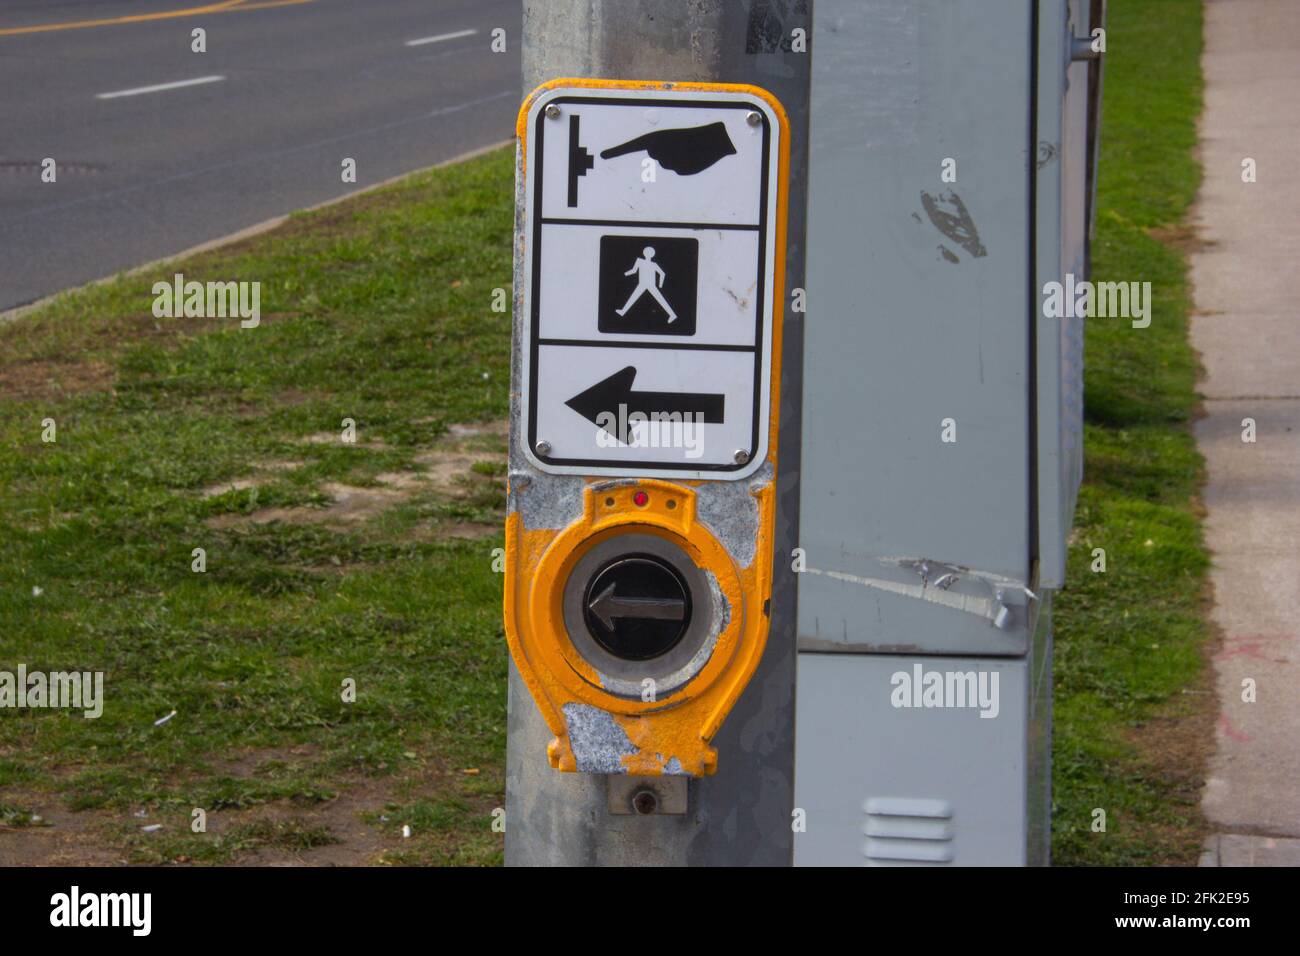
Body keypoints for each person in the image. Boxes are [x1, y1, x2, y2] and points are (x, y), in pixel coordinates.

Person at [615, 246, 677, 322]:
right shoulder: (646, 262)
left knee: (660, 299)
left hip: (649, 284)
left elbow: (634, 271)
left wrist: (660, 285)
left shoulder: (645, 262)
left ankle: (672, 314)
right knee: (634, 297)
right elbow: (662, 274)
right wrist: (625, 274)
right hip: (643, 284)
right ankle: (623, 311)